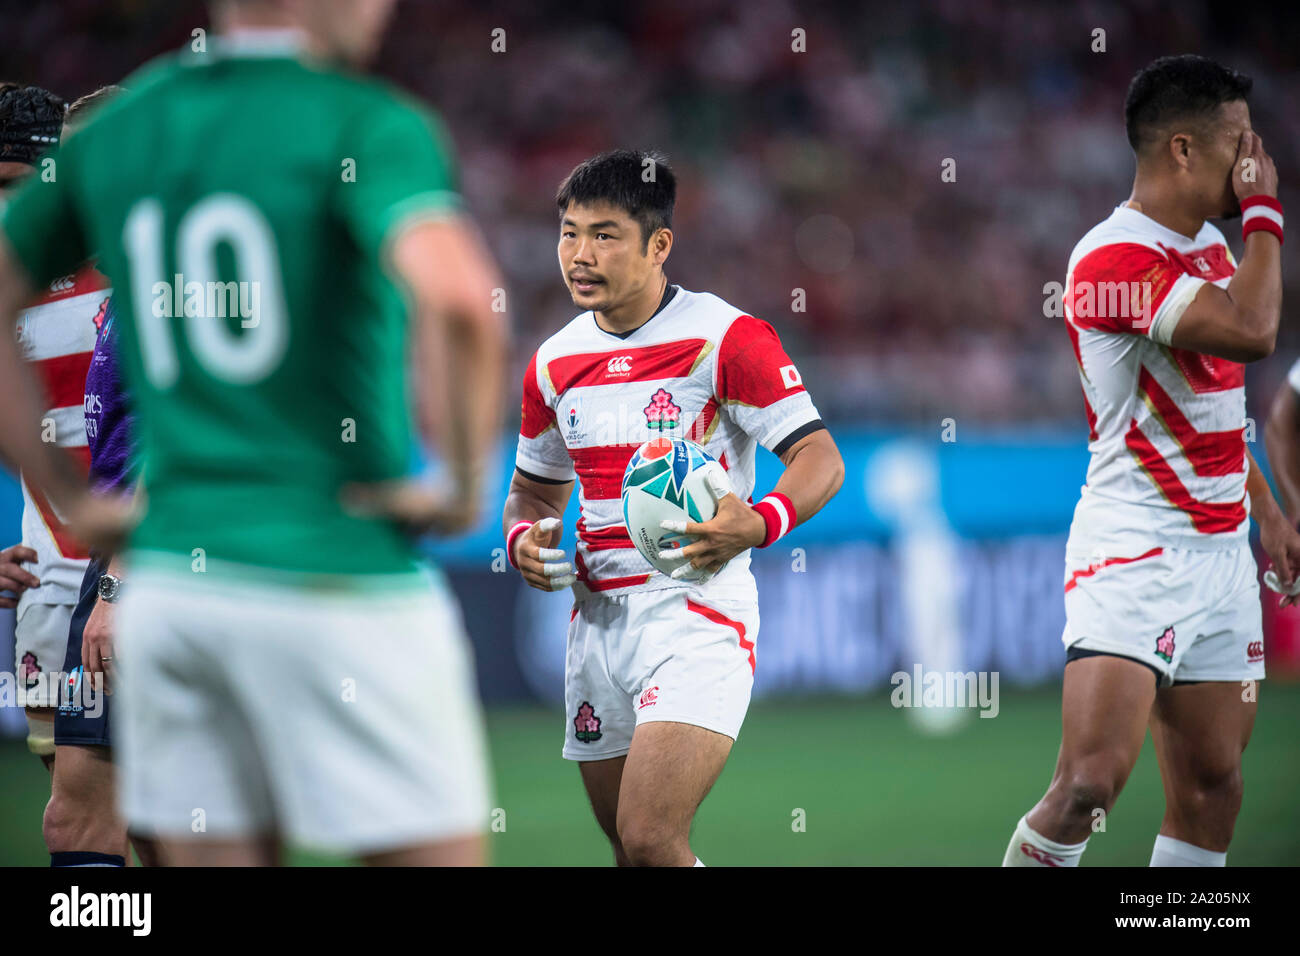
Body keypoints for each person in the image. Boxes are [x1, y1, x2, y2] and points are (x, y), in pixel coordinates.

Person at [0, 0, 507, 866]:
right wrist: (462, 487)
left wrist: (76, 501)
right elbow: (462, 304)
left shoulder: (127, 126)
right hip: (339, 573)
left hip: (177, 592)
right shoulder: (367, 121)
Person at [501, 149, 844, 866]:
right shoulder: (552, 363)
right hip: (595, 626)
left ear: (659, 245)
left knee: (653, 838)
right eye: (568, 233)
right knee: (631, 854)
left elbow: (820, 460)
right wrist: (523, 538)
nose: (578, 254)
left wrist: (759, 521)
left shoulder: (726, 338)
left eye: (604, 235)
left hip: (696, 615)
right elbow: (533, 491)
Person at [1004, 55, 1296, 867]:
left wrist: (1267, 513)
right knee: (1090, 784)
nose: (1255, 159)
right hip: (1136, 548)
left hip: (1221, 554)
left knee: (1214, 787)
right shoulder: (1110, 261)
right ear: (1181, 149)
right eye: (1240, 140)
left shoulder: (1206, 245)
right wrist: (1267, 213)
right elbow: (1252, 332)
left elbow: (1216, 406)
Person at [0, 83, 107, 767]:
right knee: (75, 809)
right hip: (50, 587)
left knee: (166, 818)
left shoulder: (140, 268)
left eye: (17, 185)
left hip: (156, 571)